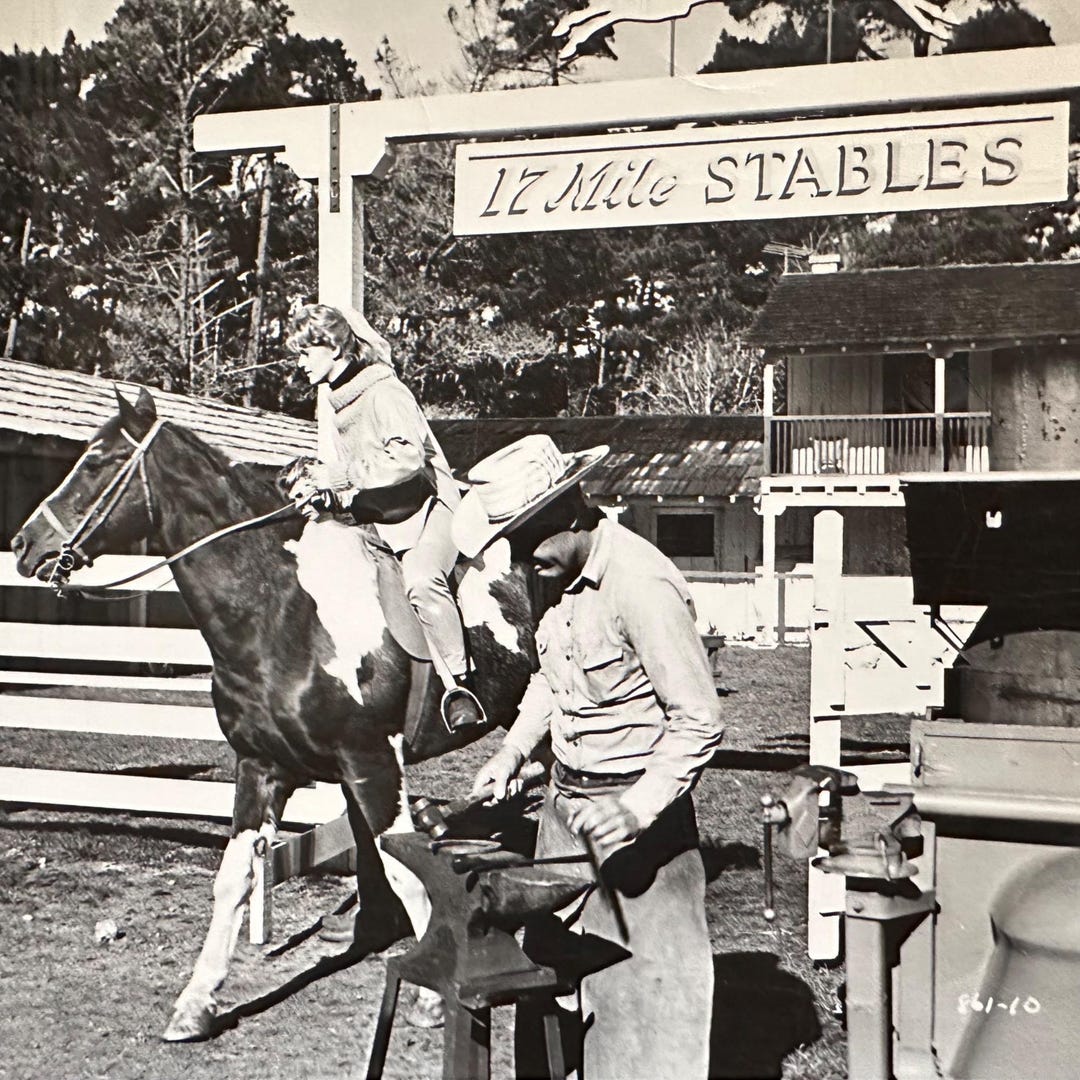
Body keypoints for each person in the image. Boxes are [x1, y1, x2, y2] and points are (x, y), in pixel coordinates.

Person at [455, 433, 724, 1080]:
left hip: (641, 829)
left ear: (573, 510)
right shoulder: (554, 572)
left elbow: (699, 720)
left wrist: (636, 809)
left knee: (645, 1016)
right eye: (511, 542)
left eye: (529, 539)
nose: (521, 557)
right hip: (563, 816)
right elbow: (552, 677)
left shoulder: (641, 582)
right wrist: (516, 749)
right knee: (549, 995)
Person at [285, 302, 484, 730]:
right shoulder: (340, 401)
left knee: (422, 579)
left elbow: (407, 459)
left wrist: (335, 477)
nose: (299, 363)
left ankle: (460, 686)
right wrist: (327, 499)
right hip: (388, 515)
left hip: (433, 505)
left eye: (305, 352)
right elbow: (360, 481)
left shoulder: (384, 392)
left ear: (335, 347)